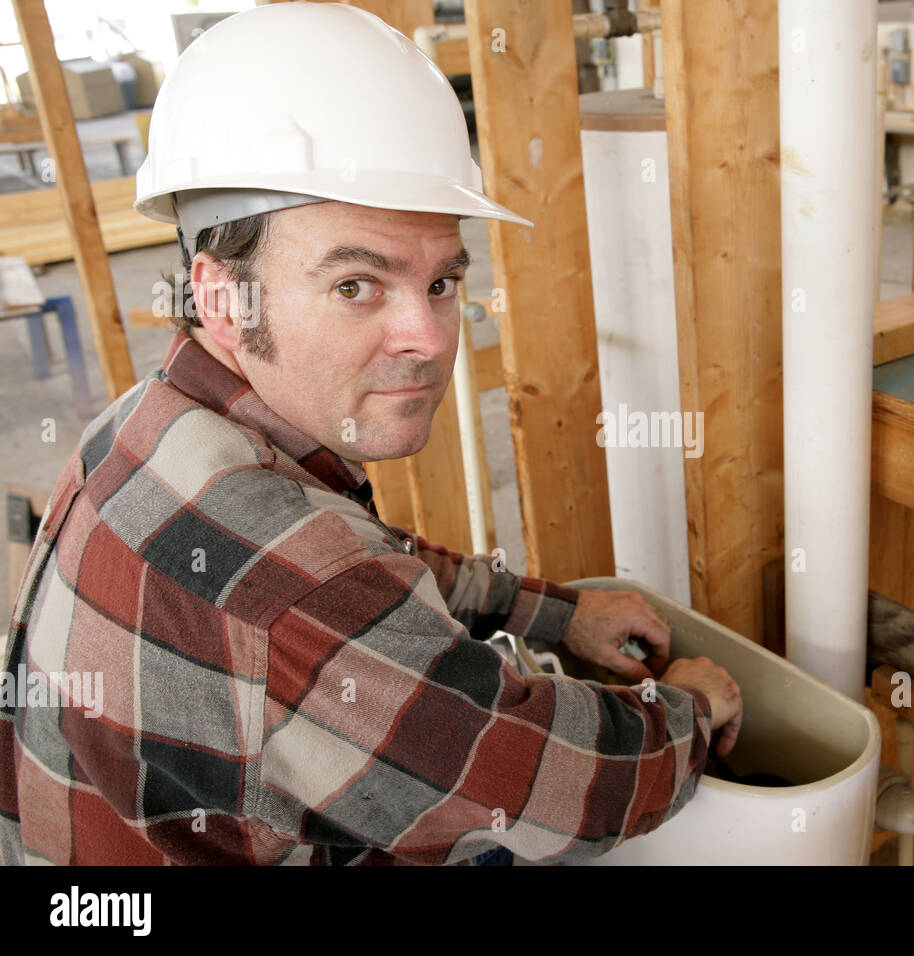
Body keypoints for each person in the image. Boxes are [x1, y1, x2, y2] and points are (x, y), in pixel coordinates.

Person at [0, 1, 741, 866]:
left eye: (441, 284)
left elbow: (357, 560)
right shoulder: (288, 592)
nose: (428, 338)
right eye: (357, 284)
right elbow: (557, 786)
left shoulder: (144, 423)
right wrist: (684, 708)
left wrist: (556, 614)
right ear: (221, 295)